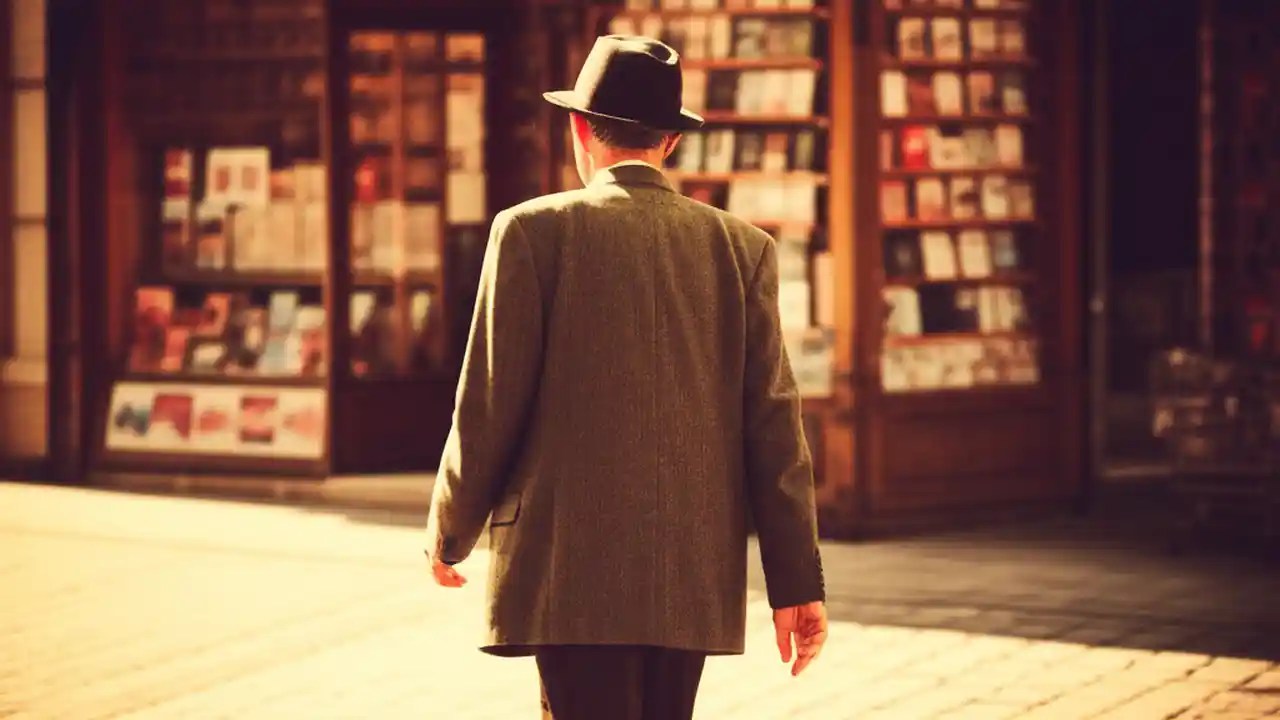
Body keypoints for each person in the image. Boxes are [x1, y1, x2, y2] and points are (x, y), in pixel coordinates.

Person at [424, 34, 828, 720]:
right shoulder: (742, 249)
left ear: (580, 129)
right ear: (669, 142)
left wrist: (449, 531)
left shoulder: (529, 232)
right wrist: (797, 586)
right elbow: (774, 432)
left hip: (567, 569)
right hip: (691, 574)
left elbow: (489, 405)